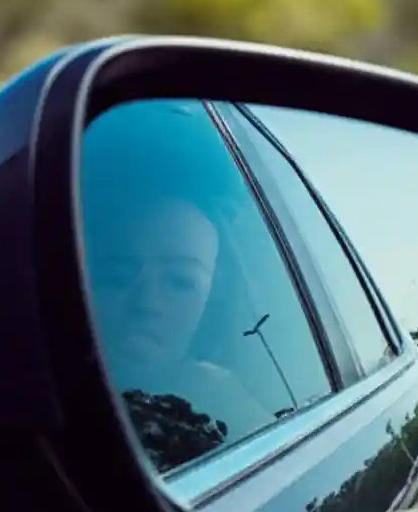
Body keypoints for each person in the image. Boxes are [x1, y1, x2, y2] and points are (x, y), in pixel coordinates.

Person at [78, 99, 275, 473]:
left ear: (210, 300)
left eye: (180, 282)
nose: (147, 302)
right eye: (117, 276)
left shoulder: (223, 406)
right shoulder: (46, 390)